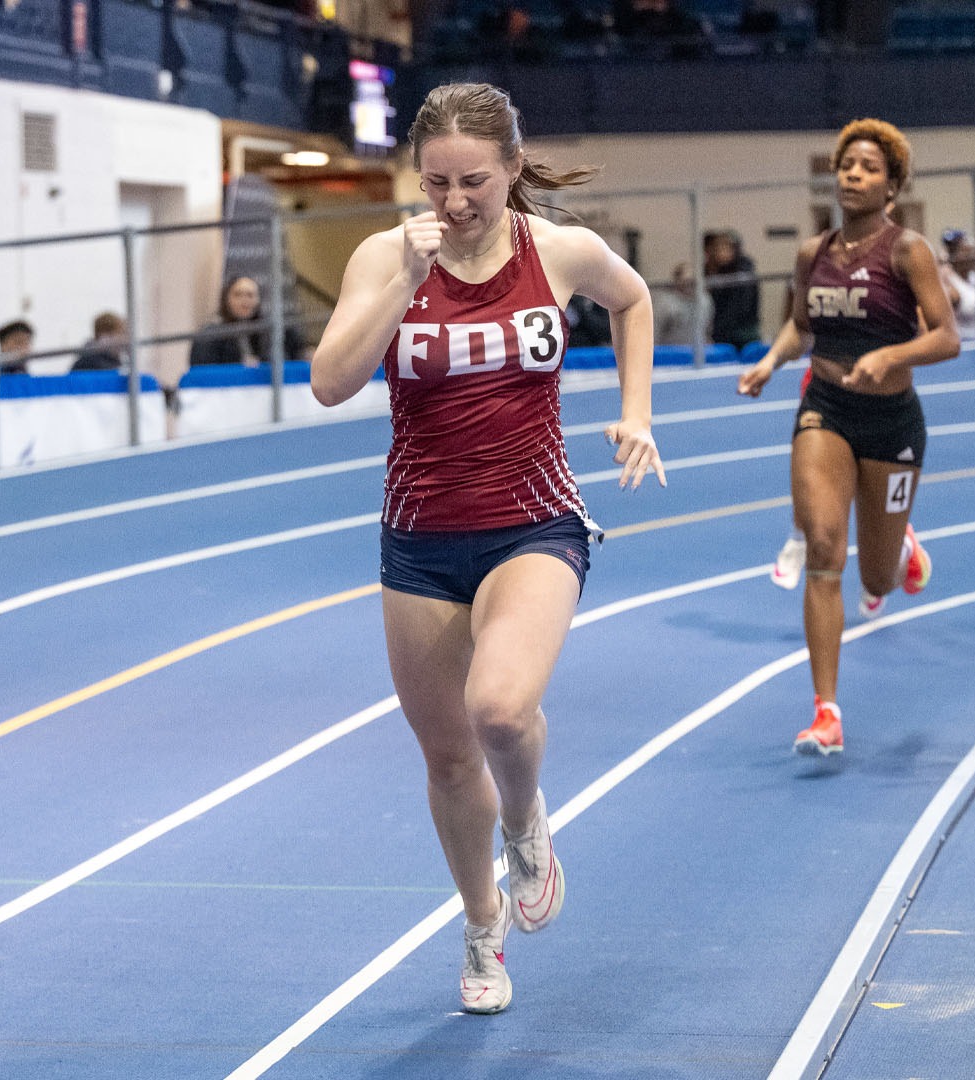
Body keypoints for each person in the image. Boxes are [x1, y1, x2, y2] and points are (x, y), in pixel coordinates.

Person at [309, 82, 664, 1016]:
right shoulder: (385, 256)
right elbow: (330, 383)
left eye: (474, 181)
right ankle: (480, 926)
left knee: (500, 712)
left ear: (513, 166)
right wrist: (400, 286)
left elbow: (633, 303)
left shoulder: (559, 251)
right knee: (447, 759)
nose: (455, 202)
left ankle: (529, 821)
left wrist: (636, 413)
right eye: (435, 184)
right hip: (421, 538)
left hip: (533, 520)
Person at [736, 118, 959, 756]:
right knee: (825, 548)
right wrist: (771, 361)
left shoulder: (907, 251)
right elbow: (800, 326)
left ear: (892, 185)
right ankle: (826, 711)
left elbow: (947, 337)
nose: (854, 175)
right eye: (847, 166)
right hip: (826, 406)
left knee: (880, 579)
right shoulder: (813, 254)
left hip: (891, 421)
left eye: (868, 168)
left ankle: (901, 546)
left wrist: (891, 358)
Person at [188, 276, 304, 367]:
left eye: (250, 295)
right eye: (238, 295)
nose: (245, 301)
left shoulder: (269, 332)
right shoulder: (210, 334)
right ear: (226, 299)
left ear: (258, 300)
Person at [705, 229, 761, 350]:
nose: (720, 252)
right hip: (722, 334)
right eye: (718, 249)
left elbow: (741, 307)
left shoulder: (744, 272)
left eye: (724, 248)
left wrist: (720, 327)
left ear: (734, 249)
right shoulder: (716, 270)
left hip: (743, 334)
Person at [939, 228, 975, 340]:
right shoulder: (946, 279)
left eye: (970, 252)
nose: (969, 256)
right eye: (964, 252)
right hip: (963, 344)